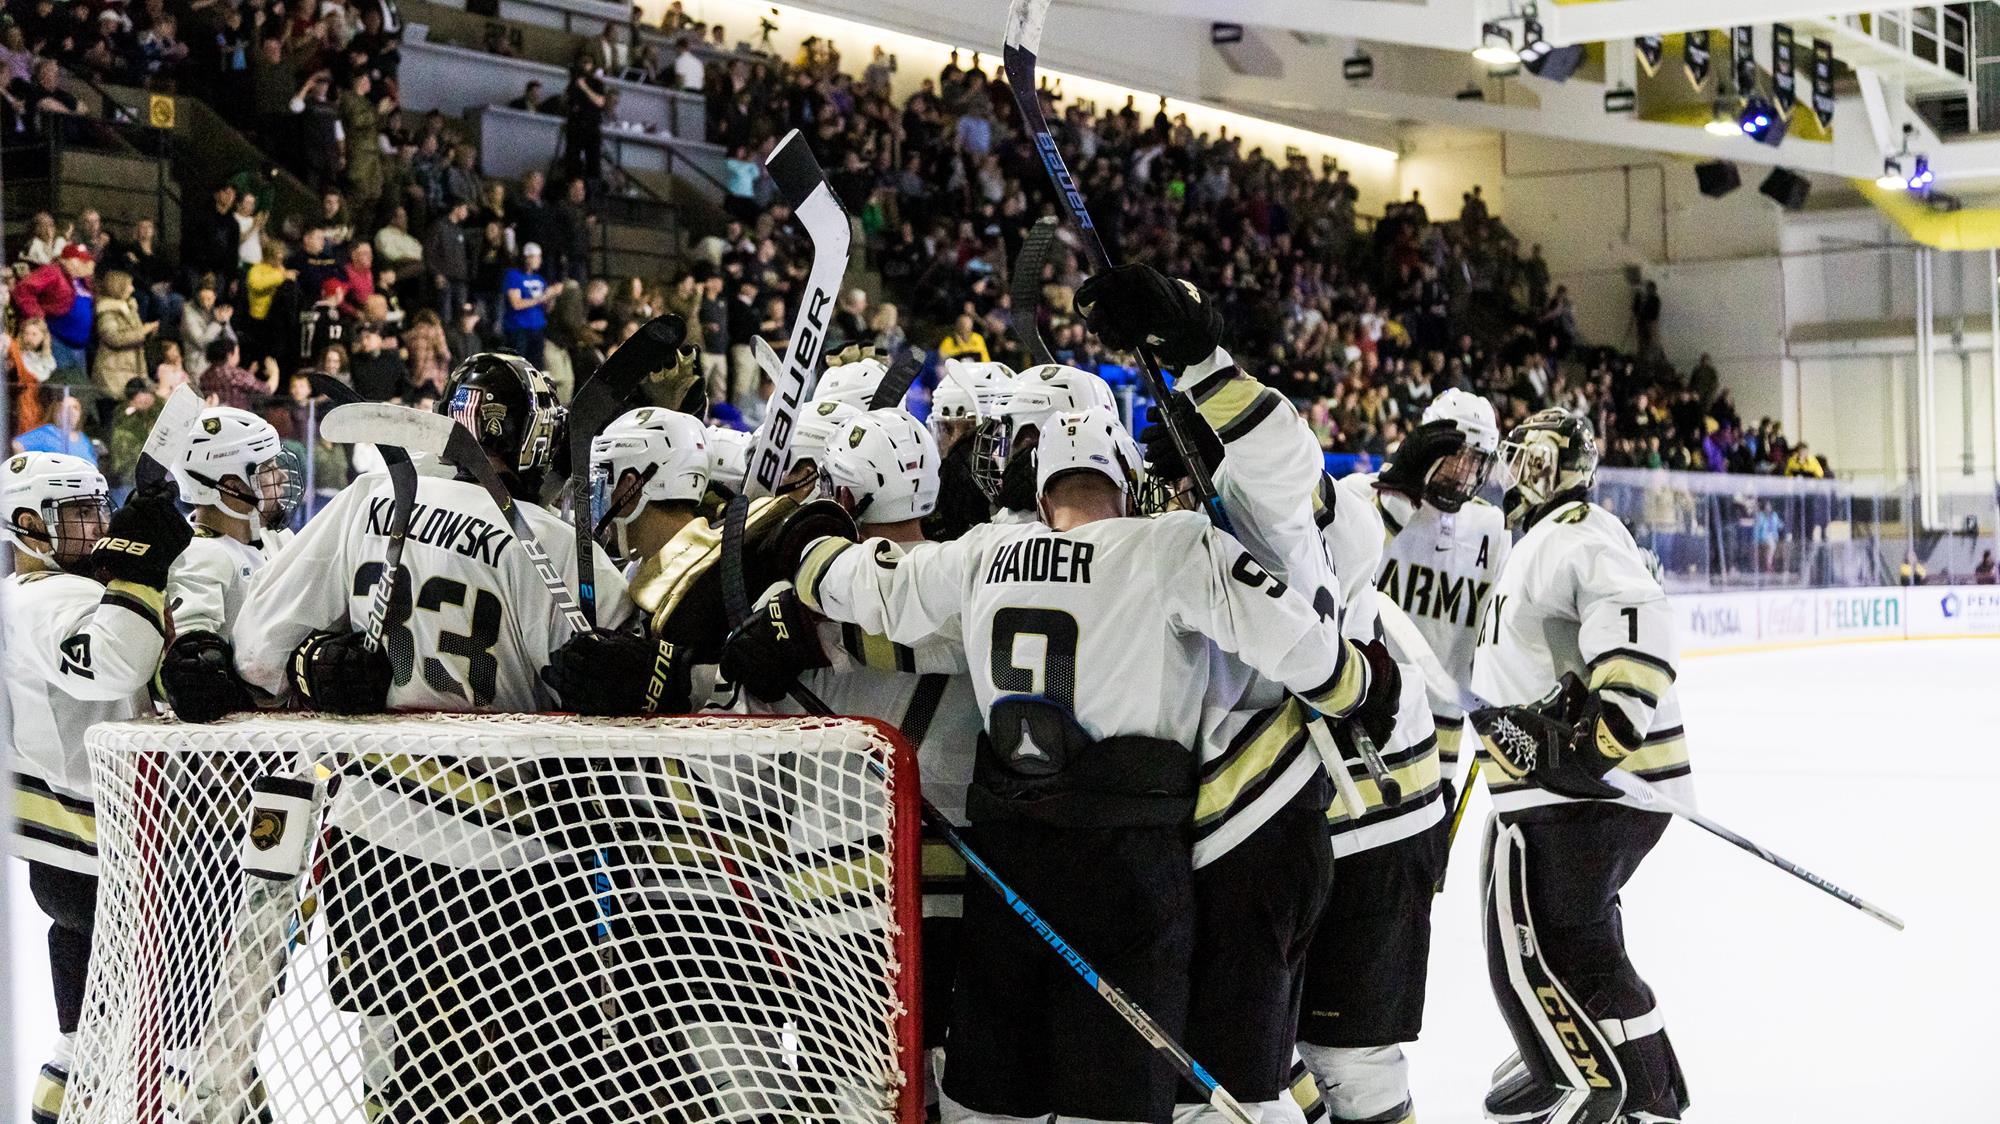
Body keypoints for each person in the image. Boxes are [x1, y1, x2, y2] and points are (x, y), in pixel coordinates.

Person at [788, 404, 1381, 1124]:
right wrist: (1355, 683)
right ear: (1126, 485)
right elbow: (1308, 653)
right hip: (1128, 867)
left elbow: (862, 585)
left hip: (1008, 861)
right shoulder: (1169, 547)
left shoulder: (984, 553)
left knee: (993, 1103)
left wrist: (808, 539)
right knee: (1113, 1102)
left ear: (1042, 495)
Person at [1075, 262, 1416, 1123]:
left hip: (1260, 828)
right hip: (1231, 830)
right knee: (1227, 1079)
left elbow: (1281, 455)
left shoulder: (1271, 509)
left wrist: (1199, 358)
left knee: (1229, 1094)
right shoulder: (1217, 511)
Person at [1470, 407, 1691, 1124]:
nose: (1514, 475)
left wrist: (1597, 742)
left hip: (1583, 797)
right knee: (1582, 948)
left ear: (1549, 465)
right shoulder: (1544, 539)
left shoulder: (1577, 535)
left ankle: (1604, 1083)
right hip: (1566, 794)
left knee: (1545, 951)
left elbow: (1638, 622)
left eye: (1525, 460)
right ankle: (1629, 1084)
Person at [4, 457, 191, 1124]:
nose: (97, 523)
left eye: (98, 508)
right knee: (178, 1028)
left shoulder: (69, 589)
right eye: (78, 513)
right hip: (88, 845)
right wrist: (141, 570)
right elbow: (114, 662)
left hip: (88, 842)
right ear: (27, 524)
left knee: (87, 1035)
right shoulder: (33, 600)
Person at [158, 407, 300, 723]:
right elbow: (189, 664)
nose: (280, 476)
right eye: (267, 468)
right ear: (232, 487)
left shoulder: (277, 539)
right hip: (232, 739)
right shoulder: (201, 555)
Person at [12, 244, 95, 373]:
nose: (86, 265)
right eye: (81, 261)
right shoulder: (52, 272)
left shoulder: (83, 280)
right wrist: (37, 316)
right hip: (57, 340)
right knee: (62, 380)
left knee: (77, 382)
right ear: (68, 261)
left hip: (79, 347)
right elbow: (23, 290)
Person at [90, 270, 158, 404]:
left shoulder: (130, 308)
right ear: (118, 287)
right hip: (113, 374)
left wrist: (148, 332)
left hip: (131, 370)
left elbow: (134, 335)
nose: (132, 289)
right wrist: (143, 331)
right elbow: (113, 337)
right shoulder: (107, 312)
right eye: (129, 285)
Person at [501, 244, 560, 365]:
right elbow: (516, 303)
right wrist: (542, 297)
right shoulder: (513, 275)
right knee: (519, 365)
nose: (539, 261)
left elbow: (547, 309)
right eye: (536, 257)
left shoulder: (539, 278)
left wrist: (552, 295)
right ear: (527, 258)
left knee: (536, 365)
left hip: (538, 328)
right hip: (519, 329)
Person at [16, 395, 98, 465]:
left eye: (75, 408)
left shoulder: (83, 439)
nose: (72, 411)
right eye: (67, 408)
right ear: (56, 412)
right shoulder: (47, 433)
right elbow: (17, 445)